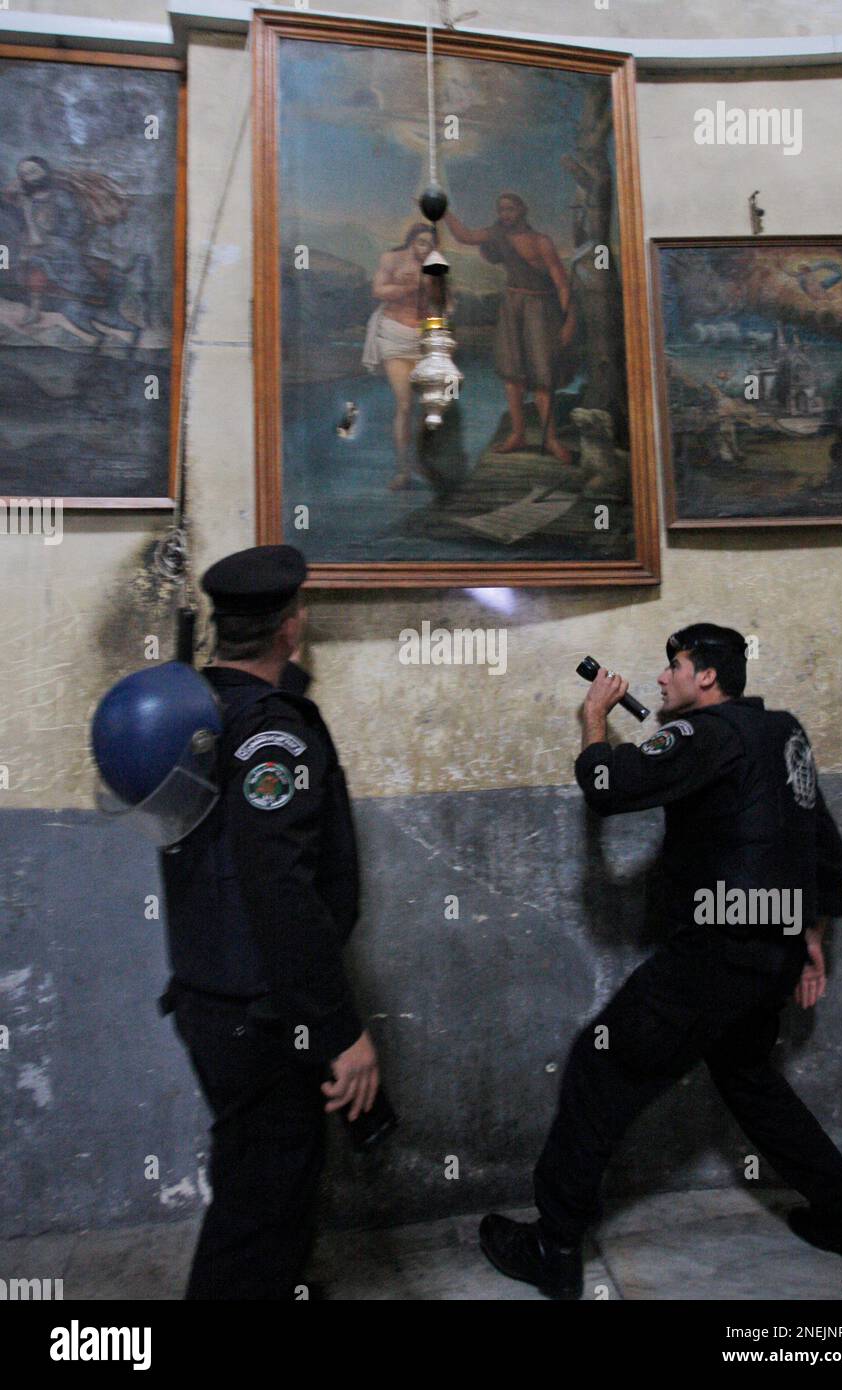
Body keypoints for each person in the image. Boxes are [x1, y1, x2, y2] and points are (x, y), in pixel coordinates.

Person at [479, 622, 842, 1299]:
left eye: (671, 667)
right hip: (771, 951)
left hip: (717, 955)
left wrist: (592, 720)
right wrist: (810, 933)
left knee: (598, 1061)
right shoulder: (782, 731)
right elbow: (821, 841)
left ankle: (552, 1244)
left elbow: (608, 786)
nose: (661, 680)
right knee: (747, 1077)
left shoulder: (703, 734)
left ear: (705, 676)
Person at [157, 544, 379, 1300]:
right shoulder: (273, 736)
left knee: (267, 1191)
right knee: (260, 1217)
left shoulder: (198, 713)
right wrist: (340, 1029)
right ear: (292, 626)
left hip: (213, 998)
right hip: (261, 1013)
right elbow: (279, 888)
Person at [445, 192, 576, 463]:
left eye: (510, 209)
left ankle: (550, 439)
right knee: (512, 375)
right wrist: (444, 210)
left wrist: (568, 321)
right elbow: (464, 236)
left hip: (541, 309)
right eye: (501, 210)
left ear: (522, 210)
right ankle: (518, 434)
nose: (505, 214)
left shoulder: (541, 241)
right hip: (512, 306)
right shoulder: (497, 235)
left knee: (542, 376)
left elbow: (563, 284)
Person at [363, 222, 436, 491]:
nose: (425, 249)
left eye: (430, 245)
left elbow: (444, 304)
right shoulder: (391, 259)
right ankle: (404, 469)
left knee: (431, 407)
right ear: (411, 241)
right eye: (421, 243)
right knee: (405, 405)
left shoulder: (436, 265)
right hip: (394, 335)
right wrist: (407, 288)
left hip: (424, 338)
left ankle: (423, 462)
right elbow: (378, 291)